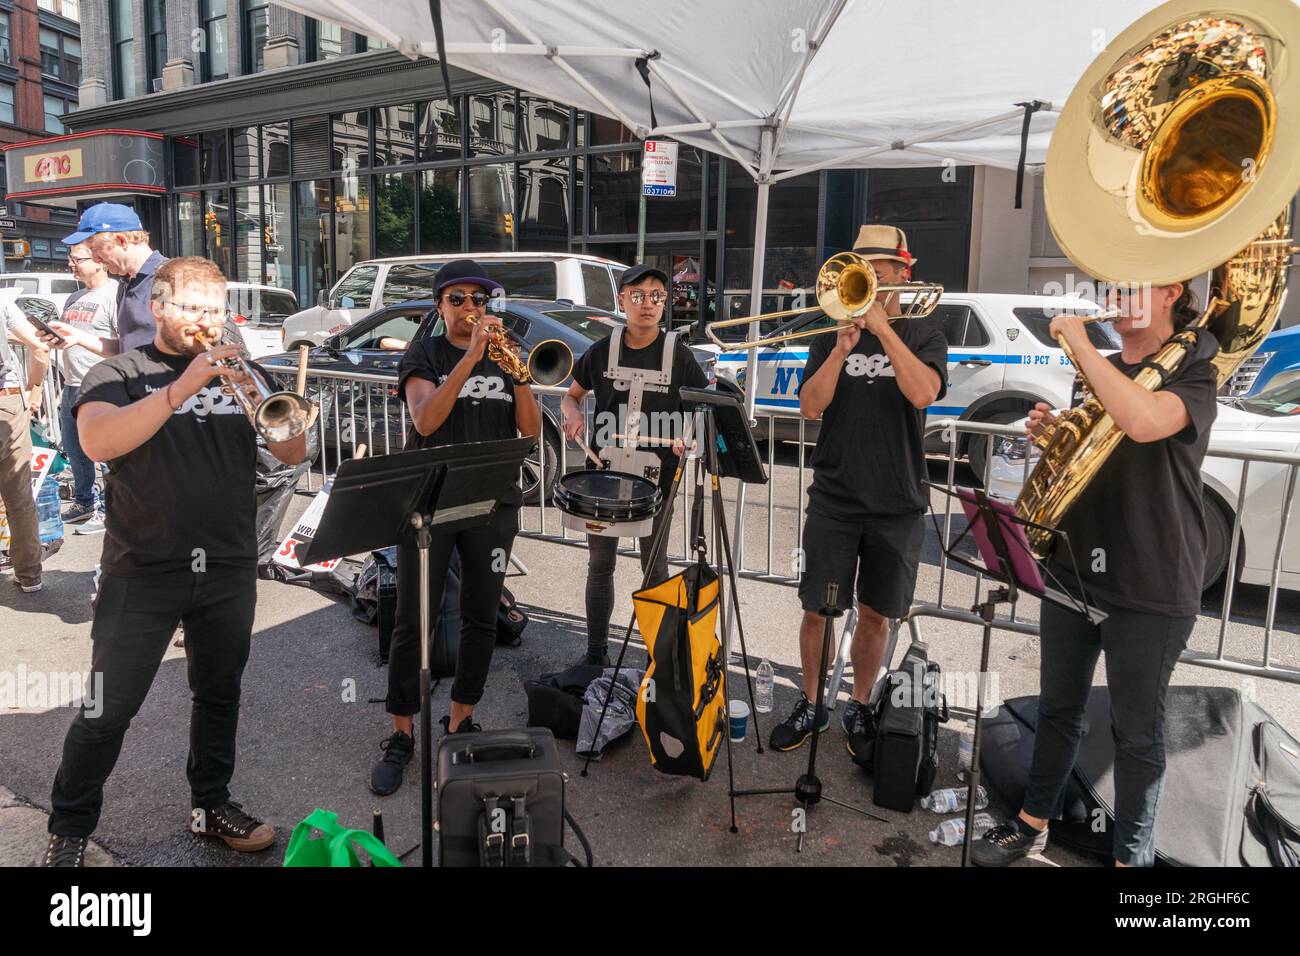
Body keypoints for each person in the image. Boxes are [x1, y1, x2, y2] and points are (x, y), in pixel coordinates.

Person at [42, 257, 309, 867]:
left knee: (219, 694)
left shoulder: (245, 372)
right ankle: (71, 827)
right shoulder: (120, 372)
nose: (203, 320)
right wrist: (182, 386)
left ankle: (210, 803)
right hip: (144, 566)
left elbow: (291, 448)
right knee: (108, 707)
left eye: (213, 309)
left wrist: (268, 401)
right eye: (190, 307)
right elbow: (99, 442)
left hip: (228, 563)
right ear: (157, 306)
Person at [973, 280, 1216, 868]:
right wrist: (1055, 433)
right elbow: (1096, 450)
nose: (1117, 295)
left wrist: (1079, 346)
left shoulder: (1195, 369)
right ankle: (1033, 820)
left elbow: (1140, 422)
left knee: (1138, 734)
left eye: (1133, 286)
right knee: (1060, 707)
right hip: (1076, 566)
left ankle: (1130, 861)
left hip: (1152, 578)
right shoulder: (1099, 366)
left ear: (1170, 293)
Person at [771, 225, 947, 754]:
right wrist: (840, 348)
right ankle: (811, 701)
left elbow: (922, 394)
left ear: (902, 274)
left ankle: (862, 702)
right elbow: (809, 405)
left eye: (879, 268)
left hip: (897, 503)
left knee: (876, 613)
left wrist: (883, 330)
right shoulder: (831, 335)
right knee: (819, 609)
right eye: (860, 267)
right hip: (835, 499)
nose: (868, 276)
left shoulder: (925, 334)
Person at [369, 259, 541, 796]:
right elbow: (425, 420)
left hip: (491, 504)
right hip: (430, 503)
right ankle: (401, 732)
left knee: (480, 617)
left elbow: (530, 431)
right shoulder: (425, 353)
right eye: (458, 299)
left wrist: (518, 377)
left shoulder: (505, 359)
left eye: (479, 300)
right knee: (412, 622)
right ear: (440, 306)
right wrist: (469, 359)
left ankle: (461, 718)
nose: (470, 308)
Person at [560, 264, 710, 666]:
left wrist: (689, 435)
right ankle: (595, 655)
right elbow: (571, 395)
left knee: (654, 569)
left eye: (657, 296)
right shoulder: (601, 349)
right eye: (639, 295)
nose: (648, 304)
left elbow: (703, 406)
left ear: (665, 303)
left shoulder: (678, 353)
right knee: (600, 565)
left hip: (658, 479)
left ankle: (657, 661)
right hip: (604, 478)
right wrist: (571, 412)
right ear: (622, 299)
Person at [42, 243, 120, 534]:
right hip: (71, 385)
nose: (70, 265)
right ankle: (84, 500)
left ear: (98, 261)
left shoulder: (114, 295)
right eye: (69, 259)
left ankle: (110, 509)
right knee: (76, 451)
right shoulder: (74, 296)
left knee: (107, 454)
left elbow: (123, 345)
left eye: (76, 259)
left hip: (101, 386)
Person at [62, 202, 167, 354]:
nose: (96, 259)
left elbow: (189, 348)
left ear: (122, 241)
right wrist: (77, 336)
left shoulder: (168, 276)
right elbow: (127, 350)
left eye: (95, 250)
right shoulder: (126, 282)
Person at [0, 299, 50, 592]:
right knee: (19, 497)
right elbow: (41, 348)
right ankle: (30, 574)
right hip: (7, 402)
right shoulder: (2, 301)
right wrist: (35, 389)